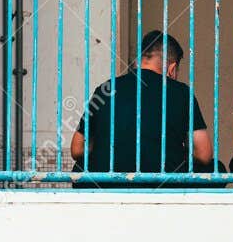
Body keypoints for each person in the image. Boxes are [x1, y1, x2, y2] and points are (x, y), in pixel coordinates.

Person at [71, 30, 213, 180]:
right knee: (215, 168)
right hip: (164, 185)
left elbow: (77, 149)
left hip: (108, 185)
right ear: (172, 69)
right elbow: (204, 155)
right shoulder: (182, 92)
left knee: (80, 167)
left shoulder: (106, 89)